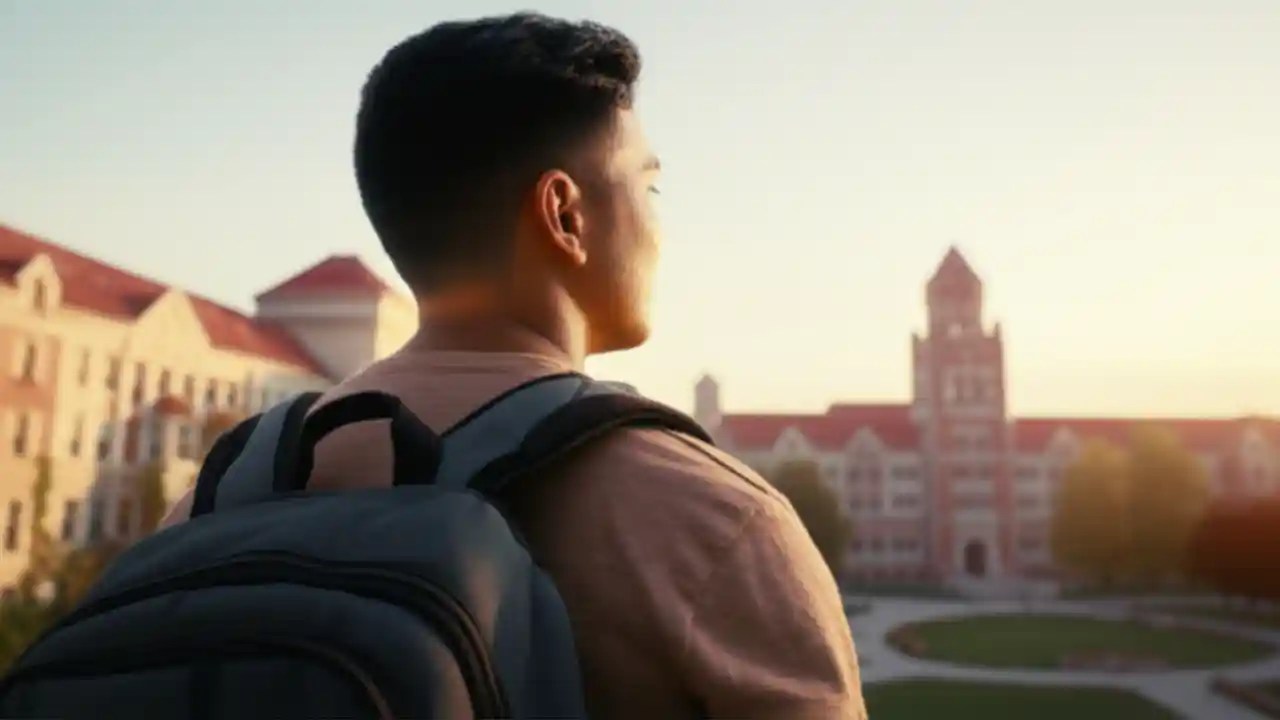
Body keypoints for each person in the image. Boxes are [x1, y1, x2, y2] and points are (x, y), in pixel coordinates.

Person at [162, 12, 866, 719]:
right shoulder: (712, 524)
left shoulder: (209, 505)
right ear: (564, 214)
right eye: (649, 190)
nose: (660, 227)